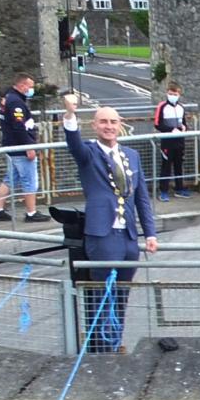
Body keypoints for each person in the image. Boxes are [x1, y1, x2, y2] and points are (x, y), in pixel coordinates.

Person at [61, 93, 158, 353]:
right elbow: (73, 143)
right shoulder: (89, 154)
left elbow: (142, 199)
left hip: (128, 237)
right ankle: (99, 348)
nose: (109, 126)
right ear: (95, 125)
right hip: (102, 235)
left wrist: (150, 233)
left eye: (113, 122)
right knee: (102, 294)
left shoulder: (132, 155)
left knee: (121, 296)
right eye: (103, 121)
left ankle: (114, 343)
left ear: (120, 125)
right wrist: (70, 114)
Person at [0, 73, 50, 222]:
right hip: (20, 148)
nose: (32, 90)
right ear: (22, 86)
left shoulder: (9, 98)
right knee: (30, 180)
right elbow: (18, 127)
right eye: (30, 87)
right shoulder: (16, 102)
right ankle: (31, 213)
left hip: (11, 146)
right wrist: (28, 147)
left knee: (10, 179)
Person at [154, 81, 190, 201]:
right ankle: (163, 191)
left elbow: (183, 123)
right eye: (170, 93)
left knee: (179, 166)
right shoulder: (162, 106)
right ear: (167, 93)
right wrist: (171, 129)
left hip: (180, 141)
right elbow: (157, 124)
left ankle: (179, 189)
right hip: (167, 142)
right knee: (166, 167)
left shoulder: (181, 107)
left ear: (179, 94)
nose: (172, 96)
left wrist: (184, 128)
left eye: (175, 94)